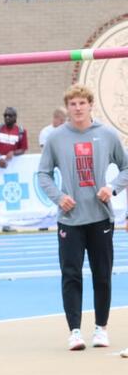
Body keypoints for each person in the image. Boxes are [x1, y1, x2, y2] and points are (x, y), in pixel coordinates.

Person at [37, 84, 128, 352]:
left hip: (100, 218)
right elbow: (43, 174)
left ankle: (101, 328)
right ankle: (74, 331)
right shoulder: (56, 138)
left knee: (102, 275)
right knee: (71, 274)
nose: (77, 108)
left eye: (82, 103)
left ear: (90, 105)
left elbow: (126, 167)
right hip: (70, 219)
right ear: (68, 108)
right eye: (73, 104)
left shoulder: (107, 135)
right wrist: (58, 196)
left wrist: (111, 188)